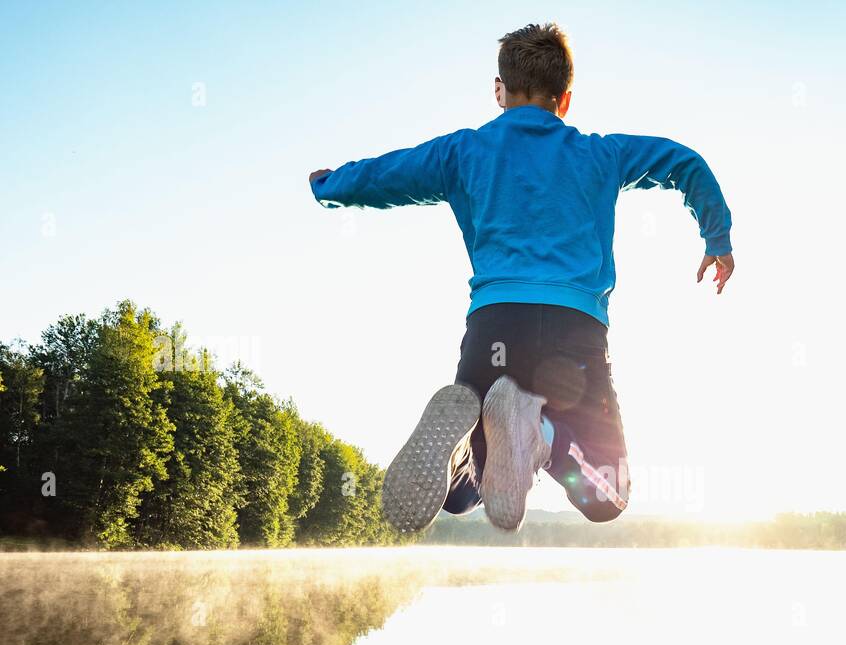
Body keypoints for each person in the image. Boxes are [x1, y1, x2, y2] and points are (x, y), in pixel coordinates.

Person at [309, 22, 734, 532]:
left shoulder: (461, 151)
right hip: (575, 333)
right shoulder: (603, 153)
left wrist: (331, 186)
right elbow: (683, 162)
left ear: (499, 91)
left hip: (494, 329)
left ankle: (466, 444)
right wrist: (717, 238)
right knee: (609, 493)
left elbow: (386, 176)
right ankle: (543, 438)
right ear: (566, 100)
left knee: (462, 496)